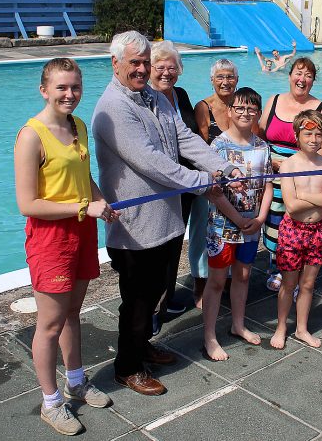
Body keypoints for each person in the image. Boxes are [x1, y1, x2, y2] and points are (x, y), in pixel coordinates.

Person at [91, 31, 242, 396]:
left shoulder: (154, 98)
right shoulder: (113, 108)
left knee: (158, 291)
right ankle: (127, 367)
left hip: (168, 220)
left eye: (145, 61)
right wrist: (205, 181)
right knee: (137, 301)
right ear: (115, 64)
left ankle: (142, 346)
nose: (142, 69)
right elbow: (152, 163)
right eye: (135, 63)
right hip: (137, 228)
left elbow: (185, 140)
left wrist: (223, 166)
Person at [14, 58, 117, 435]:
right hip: (50, 239)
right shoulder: (31, 136)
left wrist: (101, 201)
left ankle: (76, 380)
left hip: (82, 231)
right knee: (50, 324)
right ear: (44, 90)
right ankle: (51, 402)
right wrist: (82, 207)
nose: (69, 94)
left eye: (75, 86)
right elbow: (27, 203)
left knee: (74, 313)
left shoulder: (78, 127)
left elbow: (82, 175)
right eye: (61, 87)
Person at [202, 87, 273, 361]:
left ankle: (238, 324)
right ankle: (209, 336)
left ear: (257, 113)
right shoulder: (218, 147)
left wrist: (261, 218)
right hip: (222, 228)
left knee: (243, 276)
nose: (245, 113)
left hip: (251, 227)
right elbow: (213, 192)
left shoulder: (261, 146)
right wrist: (239, 219)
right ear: (230, 111)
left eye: (251, 109)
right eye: (239, 108)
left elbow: (267, 186)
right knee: (218, 281)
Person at [259, 58, 322, 292]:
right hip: (273, 172)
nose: (302, 79)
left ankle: (299, 270)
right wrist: (271, 161)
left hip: (303, 174)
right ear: (289, 75)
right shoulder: (273, 101)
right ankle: (276, 267)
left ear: (313, 80)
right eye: (298, 73)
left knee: (298, 219)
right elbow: (259, 138)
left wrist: (297, 164)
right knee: (274, 221)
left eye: (308, 75)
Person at [271, 110, 322, 350]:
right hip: (292, 231)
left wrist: (304, 195)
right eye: (308, 133)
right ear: (297, 135)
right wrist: (318, 197)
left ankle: (301, 328)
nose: (313, 139)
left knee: (308, 284)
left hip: (318, 230)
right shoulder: (288, 165)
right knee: (289, 284)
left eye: (318, 134)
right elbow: (291, 205)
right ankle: (281, 327)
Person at [149, 41, 194, 323]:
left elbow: (189, 137)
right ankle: (154, 305)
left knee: (176, 242)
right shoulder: (144, 99)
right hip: (160, 186)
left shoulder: (180, 94)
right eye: (160, 67)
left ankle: (166, 295)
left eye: (172, 67)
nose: (167, 73)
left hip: (186, 184)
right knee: (157, 248)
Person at [190, 59, 239, 307]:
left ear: (237, 80)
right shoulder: (203, 107)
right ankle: (200, 283)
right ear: (212, 80)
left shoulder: (241, 105)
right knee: (201, 232)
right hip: (210, 181)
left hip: (238, 182)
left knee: (230, 231)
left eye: (230, 76)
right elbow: (198, 147)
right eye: (220, 76)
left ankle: (227, 281)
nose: (225, 81)